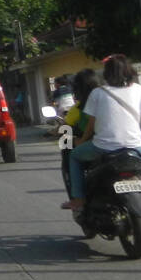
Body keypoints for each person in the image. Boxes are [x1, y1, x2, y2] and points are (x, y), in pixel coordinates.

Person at [62, 54, 141, 212]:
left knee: (74, 156)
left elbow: (91, 124)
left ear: (107, 74)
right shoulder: (138, 89)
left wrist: (82, 140)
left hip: (103, 147)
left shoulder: (98, 93)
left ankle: (78, 199)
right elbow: (139, 117)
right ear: (129, 71)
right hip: (134, 143)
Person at [59, 67, 101, 196]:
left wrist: (81, 140)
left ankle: (76, 197)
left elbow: (90, 125)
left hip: (99, 143)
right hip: (128, 143)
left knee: (69, 152)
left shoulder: (81, 106)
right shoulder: (105, 97)